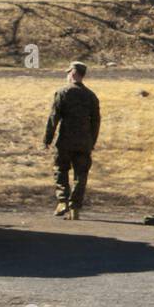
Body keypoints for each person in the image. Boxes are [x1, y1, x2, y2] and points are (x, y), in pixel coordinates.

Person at [42, 61, 101, 220]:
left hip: (65, 141)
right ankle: (75, 208)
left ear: (73, 73)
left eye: (69, 72)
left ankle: (62, 201)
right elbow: (96, 121)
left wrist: (47, 138)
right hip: (84, 142)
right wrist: (92, 141)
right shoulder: (91, 96)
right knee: (81, 175)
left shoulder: (63, 92)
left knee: (60, 169)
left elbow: (54, 118)